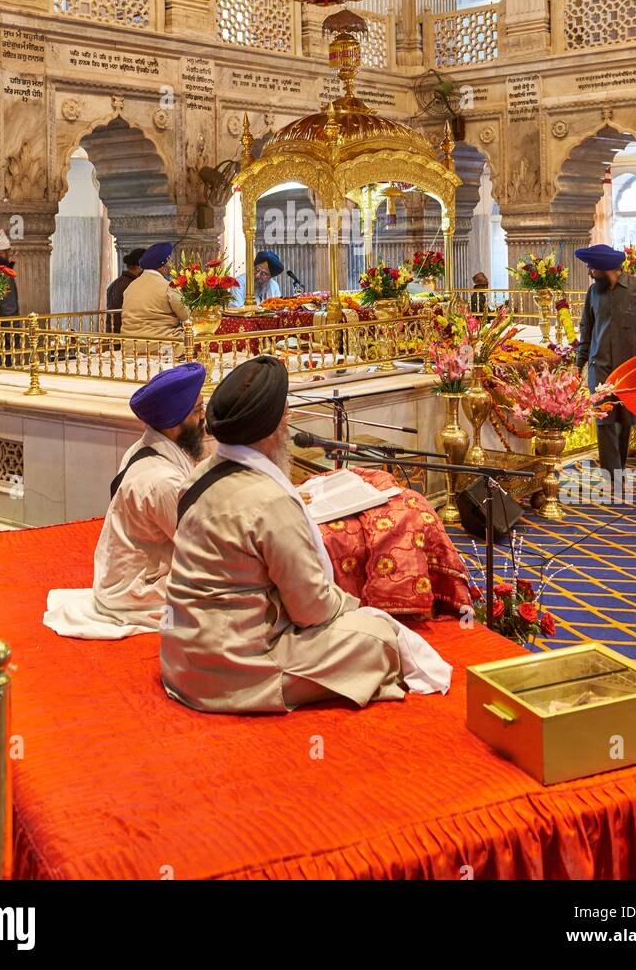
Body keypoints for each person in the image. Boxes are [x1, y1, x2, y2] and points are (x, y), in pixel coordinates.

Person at [160, 355, 452, 714]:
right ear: (270, 429)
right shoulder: (271, 503)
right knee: (379, 639)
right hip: (234, 667)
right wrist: (357, 608)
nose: (288, 422)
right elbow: (311, 610)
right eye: (285, 414)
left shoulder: (199, 474)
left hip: (180, 655)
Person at [44, 363, 207, 637]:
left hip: (124, 580)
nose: (204, 419)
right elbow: (201, 549)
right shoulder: (162, 481)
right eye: (196, 412)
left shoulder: (145, 447)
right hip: (135, 595)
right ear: (171, 424)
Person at [575, 244, 636, 482]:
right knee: (604, 420)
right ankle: (612, 475)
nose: (589, 272)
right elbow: (586, 329)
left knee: (625, 420)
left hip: (631, 370)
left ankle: (618, 468)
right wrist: (579, 363)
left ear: (606, 268)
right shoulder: (593, 292)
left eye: (592, 267)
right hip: (600, 368)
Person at [120, 242, 189, 353]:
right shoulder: (168, 287)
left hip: (130, 346)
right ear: (163, 266)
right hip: (161, 345)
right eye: (169, 261)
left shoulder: (130, 287)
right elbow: (186, 314)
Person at [106, 248, 145, 334]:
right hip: (125, 335)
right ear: (140, 266)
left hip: (114, 334)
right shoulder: (132, 285)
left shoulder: (116, 283)